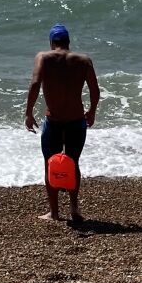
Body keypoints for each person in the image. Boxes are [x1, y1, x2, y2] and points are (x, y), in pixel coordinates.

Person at [24, 24, 101, 226]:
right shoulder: (83, 60)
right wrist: (92, 111)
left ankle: (54, 213)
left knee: (50, 164)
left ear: (51, 42)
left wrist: (29, 112)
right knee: (73, 162)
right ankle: (74, 208)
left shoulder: (43, 58)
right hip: (76, 121)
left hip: (54, 121)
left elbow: (35, 83)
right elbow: (95, 89)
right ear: (68, 42)